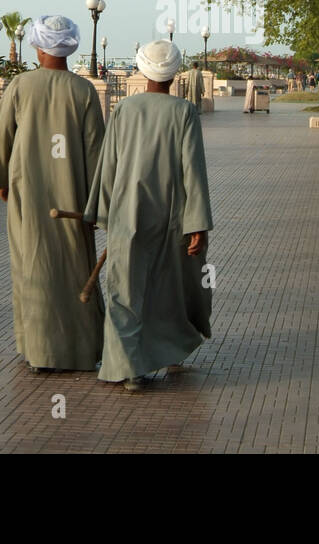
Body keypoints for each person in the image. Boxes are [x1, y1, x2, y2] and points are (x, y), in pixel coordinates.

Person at [0, 15, 105, 373]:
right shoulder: (84, 91)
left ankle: (40, 351)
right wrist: (98, 204)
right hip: (74, 199)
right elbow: (97, 153)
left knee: (33, 266)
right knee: (74, 266)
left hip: (28, 195)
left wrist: (3, 179)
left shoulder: (20, 86)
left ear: (38, 44)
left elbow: (2, 138)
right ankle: (79, 350)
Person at [85, 40, 213, 393]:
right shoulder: (184, 112)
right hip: (170, 215)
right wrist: (197, 223)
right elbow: (193, 171)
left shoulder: (125, 110)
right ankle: (164, 352)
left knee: (124, 290)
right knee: (165, 288)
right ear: (175, 74)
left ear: (142, 71)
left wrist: (101, 212)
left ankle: (128, 370)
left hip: (127, 213)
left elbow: (108, 163)